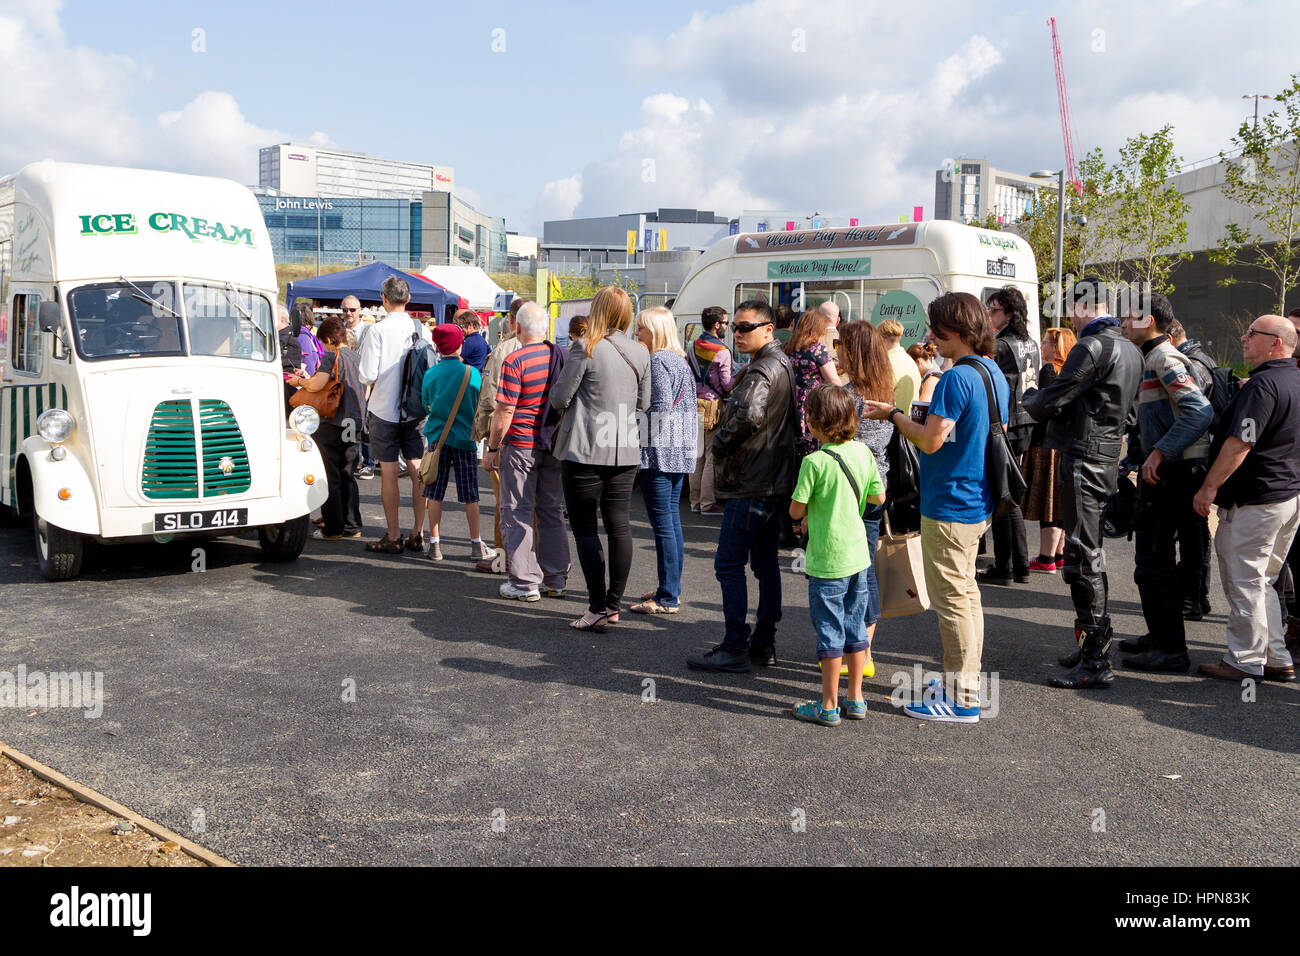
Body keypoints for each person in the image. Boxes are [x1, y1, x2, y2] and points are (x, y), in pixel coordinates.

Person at [863, 292, 1007, 722]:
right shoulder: (990, 370)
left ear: (956, 330)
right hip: (976, 499)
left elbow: (930, 439)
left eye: (936, 329)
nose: (931, 337)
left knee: (953, 603)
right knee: (966, 595)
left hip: (950, 504)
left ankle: (961, 698)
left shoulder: (955, 377)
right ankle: (966, 685)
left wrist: (892, 415)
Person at [1022, 277, 1142, 689]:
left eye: (1072, 307)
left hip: (1084, 458)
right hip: (1103, 457)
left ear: (1083, 306)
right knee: (1087, 552)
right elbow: (1129, 416)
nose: (1070, 315)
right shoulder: (1130, 348)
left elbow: (1050, 401)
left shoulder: (1093, 347)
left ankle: (1095, 659)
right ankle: (1091, 645)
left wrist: (1027, 396)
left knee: (1083, 557)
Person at [686, 300, 798, 672]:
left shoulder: (763, 369)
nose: (737, 333)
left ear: (768, 329)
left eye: (745, 327)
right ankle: (763, 643)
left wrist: (719, 443)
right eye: (735, 327)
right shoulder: (778, 363)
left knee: (729, 563)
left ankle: (736, 644)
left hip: (752, 482)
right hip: (770, 480)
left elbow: (749, 415)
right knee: (765, 565)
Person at [1192, 316, 1300, 683]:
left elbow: (1240, 444)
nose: (1244, 337)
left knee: (1245, 580)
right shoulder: (1293, 380)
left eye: (1252, 334)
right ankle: (1275, 656)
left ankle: (1244, 659)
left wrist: (1209, 487)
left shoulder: (1263, 386)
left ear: (1276, 343)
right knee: (1263, 580)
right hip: (1287, 498)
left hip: (1257, 501)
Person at [1116, 294, 1213, 673]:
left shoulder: (1165, 359)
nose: (1123, 324)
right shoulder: (1151, 358)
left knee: (1155, 561)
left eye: (1129, 317)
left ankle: (1172, 650)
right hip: (1163, 471)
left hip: (1173, 475)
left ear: (1150, 320)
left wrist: (1160, 452)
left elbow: (1198, 412)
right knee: (1150, 561)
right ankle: (1160, 636)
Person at [549, 286, 651, 631]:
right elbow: (644, 406)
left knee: (585, 528)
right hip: (625, 447)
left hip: (585, 449)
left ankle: (596, 607)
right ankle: (613, 605)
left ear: (597, 311)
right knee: (619, 525)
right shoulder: (640, 351)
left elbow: (560, 399)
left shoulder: (585, 347)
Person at [789, 385, 887, 725]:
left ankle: (828, 705)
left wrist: (808, 512)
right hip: (858, 555)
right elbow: (879, 498)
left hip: (826, 559)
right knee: (856, 626)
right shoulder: (863, 453)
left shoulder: (813, 462)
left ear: (815, 423)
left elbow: (795, 509)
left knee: (829, 631)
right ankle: (856, 699)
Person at [482, 301, 571, 601]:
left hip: (521, 445)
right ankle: (555, 578)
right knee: (551, 511)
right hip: (554, 443)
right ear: (546, 329)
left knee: (517, 510)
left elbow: (504, 412)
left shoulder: (515, 361)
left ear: (516, 328)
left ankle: (524, 582)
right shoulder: (562, 357)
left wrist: (492, 447)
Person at [836, 320, 895, 678]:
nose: (836, 351)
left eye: (840, 345)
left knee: (852, 571)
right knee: (866, 568)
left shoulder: (850, 396)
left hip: (848, 492)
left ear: (853, 351)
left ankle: (856, 649)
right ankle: (863, 650)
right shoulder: (884, 390)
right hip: (876, 489)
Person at [629, 307, 697, 614]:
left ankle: (668, 595)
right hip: (680, 448)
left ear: (654, 330)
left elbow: (661, 409)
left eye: (641, 328)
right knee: (671, 522)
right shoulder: (678, 359)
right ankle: (671, 589)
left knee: (663, 525)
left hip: (660, 451)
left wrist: (636, 430)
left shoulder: (657, 361)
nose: (637, 332)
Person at [358, 276, 433, 554]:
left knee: (388, 472)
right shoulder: (422, 330)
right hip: (415, 411)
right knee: (417, 471)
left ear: (384, 299)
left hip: (384, 409)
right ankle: (418, 532)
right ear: (409, 299)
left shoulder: (376, 331)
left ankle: (393, 535)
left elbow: (367, 374)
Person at [979, 286, 1041, 587]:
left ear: (1008, 313)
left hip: (1007, 424)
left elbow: (996, 387)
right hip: (1027, 421)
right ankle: (1017, 565)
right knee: (1011, 492)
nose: (989, 314)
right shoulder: (1031, 343)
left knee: (1004, 492)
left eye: (993, 310)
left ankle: (1006, 566)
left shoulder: (1000, 344)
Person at [289, 317, 366, 540]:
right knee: (348, 474)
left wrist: (299, 382)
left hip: (334, 421)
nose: (324, 347)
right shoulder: (357, 356)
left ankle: (333, 528)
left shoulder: (332, 356)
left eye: (324, 342)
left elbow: (318, 384)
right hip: (355, 420)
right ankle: (352, 525)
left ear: (331, 339)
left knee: (330, 474)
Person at [419, 323, 488, 562]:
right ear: (460, 344)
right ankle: (476, 544)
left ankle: (435, 545)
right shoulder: (473, 373)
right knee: (471, 495)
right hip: (465, 439)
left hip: (437, 439)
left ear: (437, 346)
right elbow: (479, 401)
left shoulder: (431, 373)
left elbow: (425, 402)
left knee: (434, 493)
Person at [472, 297, 527, 573]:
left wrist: (487, 440)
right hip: (534, 437)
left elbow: (491, 399)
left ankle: (503, 557)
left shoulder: (505, 350)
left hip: (506, 434)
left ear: (514, 321)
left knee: (504, 502)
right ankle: (531, 555)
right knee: (532, 501)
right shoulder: (549, 349)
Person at [1023, 326, 1077, 572]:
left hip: (1045, 443)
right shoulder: (1073, 372)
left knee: (1048, 499)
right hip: (1065, 444)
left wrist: (1030, 394)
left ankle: (1046, 558)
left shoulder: (1049, 371)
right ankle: (1059, 553)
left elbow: (1042, 406)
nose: (1042, 346)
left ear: (1056, 347)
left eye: (1046, 342)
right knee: (1060, 500)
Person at [689, 306, 735, 516]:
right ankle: (707, 504)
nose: (727, 326)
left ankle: (694, 501)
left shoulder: (693, 345)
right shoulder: (722, 351)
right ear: (717, 325)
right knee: (710, 456)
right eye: (725, 323)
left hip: (693, 403)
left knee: (697, 455)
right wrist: (741, 374)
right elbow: (727, 385)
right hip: (712, 406)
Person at [785, 309, 843, 455]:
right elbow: (834, 381)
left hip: (791, 402)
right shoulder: (818, 349)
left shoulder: (788, 348)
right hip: (812, 403)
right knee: (811, 447)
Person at [339, 295, 376, 480]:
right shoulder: (340, 330)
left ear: (359, 310)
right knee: (349, 423)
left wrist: (370, 384)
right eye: (345, 310)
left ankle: (369, 463)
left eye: (352, 310)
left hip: (365, 382)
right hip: (346, 383)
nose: (348, 313)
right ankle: (354, 460)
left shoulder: (368, 330)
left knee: (365, 425)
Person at [880, 317, 921, 413]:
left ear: (881, 338)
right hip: (909, 421)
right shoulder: (910, 361)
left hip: (892, 422)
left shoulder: (886, 364)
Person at [294, 302, 325, 377]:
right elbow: (308, 362)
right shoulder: (303, 336)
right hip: (307, 381)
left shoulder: (306, 334)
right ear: (309, 316)